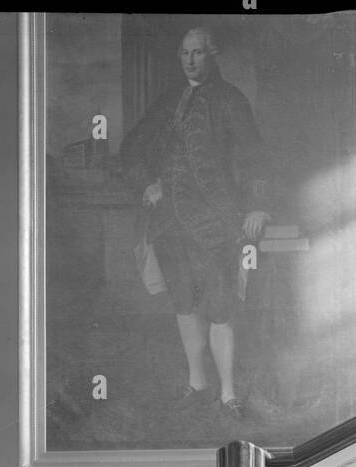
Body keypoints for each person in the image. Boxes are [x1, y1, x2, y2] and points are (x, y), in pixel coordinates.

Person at [121, 27, 271, 432]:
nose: (190, 60)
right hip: (170, 222)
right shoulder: (167, 101)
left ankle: (228, 395)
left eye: (198, 53)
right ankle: (197, 385)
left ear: (213, 55)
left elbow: (256, 156)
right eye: (184, 53)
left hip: (217, 222)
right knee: (184, 304)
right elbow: (132, 149)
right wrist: (146, 184)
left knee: (221, 308)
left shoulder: (231, 100)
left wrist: (257, 205)